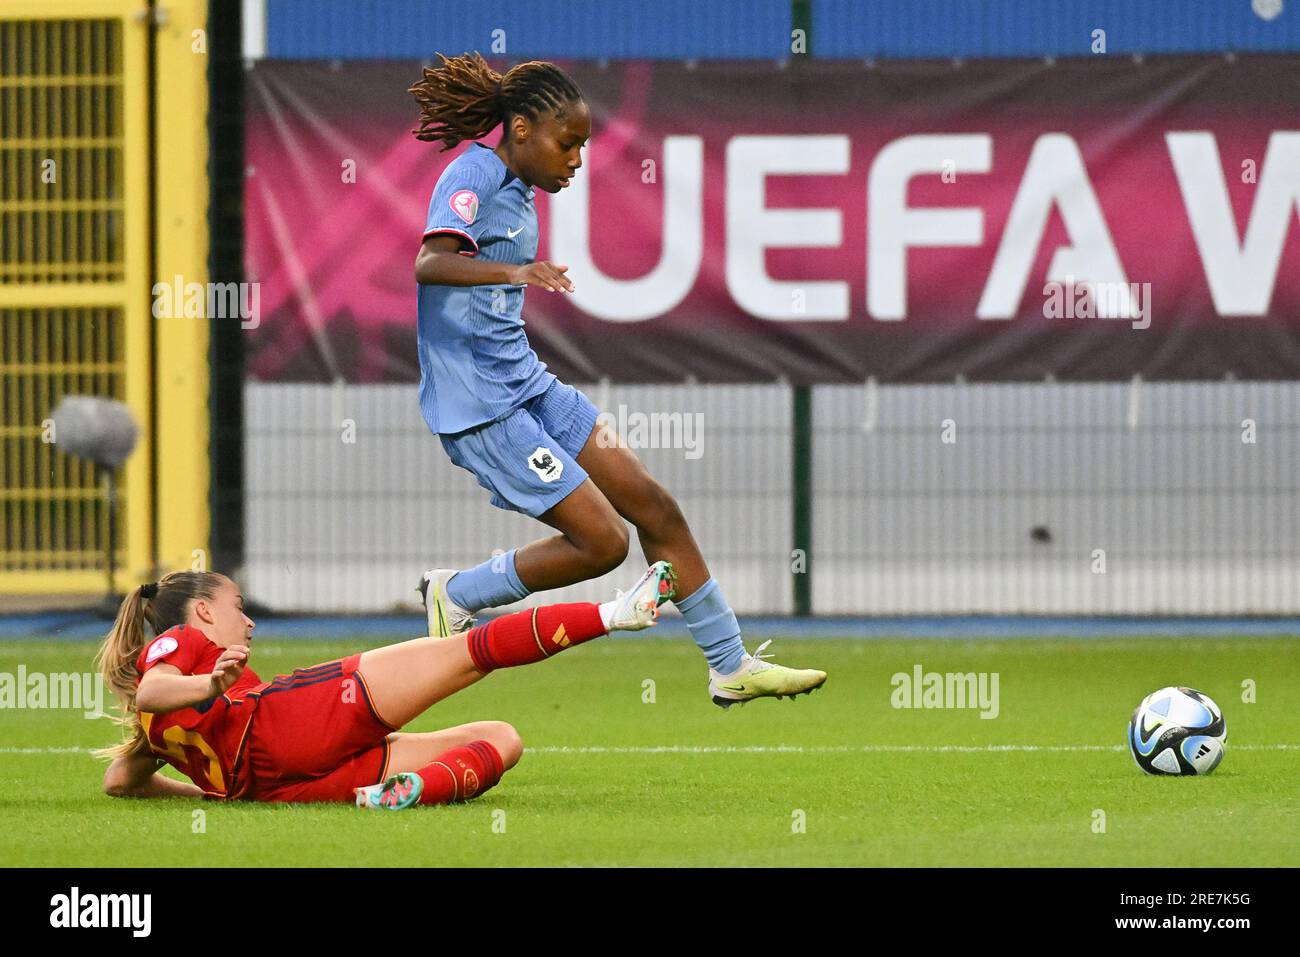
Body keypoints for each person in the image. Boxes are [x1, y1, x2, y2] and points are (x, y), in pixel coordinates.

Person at [408, 52, 826, 708]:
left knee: (654, 504)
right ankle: (456, 593)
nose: (575, 159)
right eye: (566, 142)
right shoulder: (474, 172)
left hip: (529, 386)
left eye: (582, 145)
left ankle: (729, 664)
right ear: (520, 130)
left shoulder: (518, 191)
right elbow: (430, 263)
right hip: (480, 405)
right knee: (604, 542)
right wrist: (516, 273)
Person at [95, 563, 675, 810]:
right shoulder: (178, 644)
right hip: (289, 724)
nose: (248, 622)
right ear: (201, 611)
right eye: (237, 607)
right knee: (467, 653)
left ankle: (409, 792)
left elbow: (121, 781)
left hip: (284, 787)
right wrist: (208, 682)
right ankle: (613, 613)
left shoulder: (159, 730)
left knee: (501, 738)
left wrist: (212, 796)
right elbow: (153, 689)